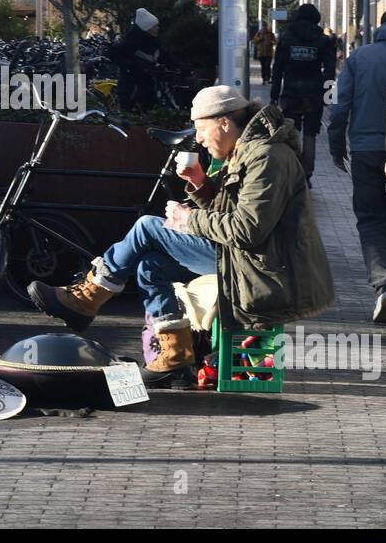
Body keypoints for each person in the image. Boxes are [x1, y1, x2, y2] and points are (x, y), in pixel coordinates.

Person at [27, 87, 333, 383]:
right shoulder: (247, 151)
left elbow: (247, 230)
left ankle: (90, 296)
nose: (198, 139)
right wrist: (201, 185)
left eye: (201, 129)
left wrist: (189, 220)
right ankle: (175, 356)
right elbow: (231, 215)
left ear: (224, 123)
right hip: (249, 261)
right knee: (150, 265)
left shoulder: (266, 157)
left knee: (148, 226)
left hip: (266, 272)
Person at [328, 4, 386, 322]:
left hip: (366, 149)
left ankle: (384, 285)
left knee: (370, 220)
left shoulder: (359, 57)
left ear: (380, 26)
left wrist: (336, 145)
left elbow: (339, 105)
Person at [271, 3, 335, 181]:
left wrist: (274, 96)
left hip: (291, 93)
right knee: (310, 134)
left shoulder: (285, 38)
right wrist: (330, 97)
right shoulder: (324, 40)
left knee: (292, 132)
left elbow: (277, 70)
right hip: (314, 94)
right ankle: (307, 172)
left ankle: (294, 171)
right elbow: (330, 71)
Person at [111, 8, 161, 111]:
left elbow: (165, 55)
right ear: (147, 27)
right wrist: (133, 67)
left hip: (147, 85)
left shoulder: (154, 42)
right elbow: (114, 54)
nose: (158, 28)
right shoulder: (131, 42)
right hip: (131, 87)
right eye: (155, 26)